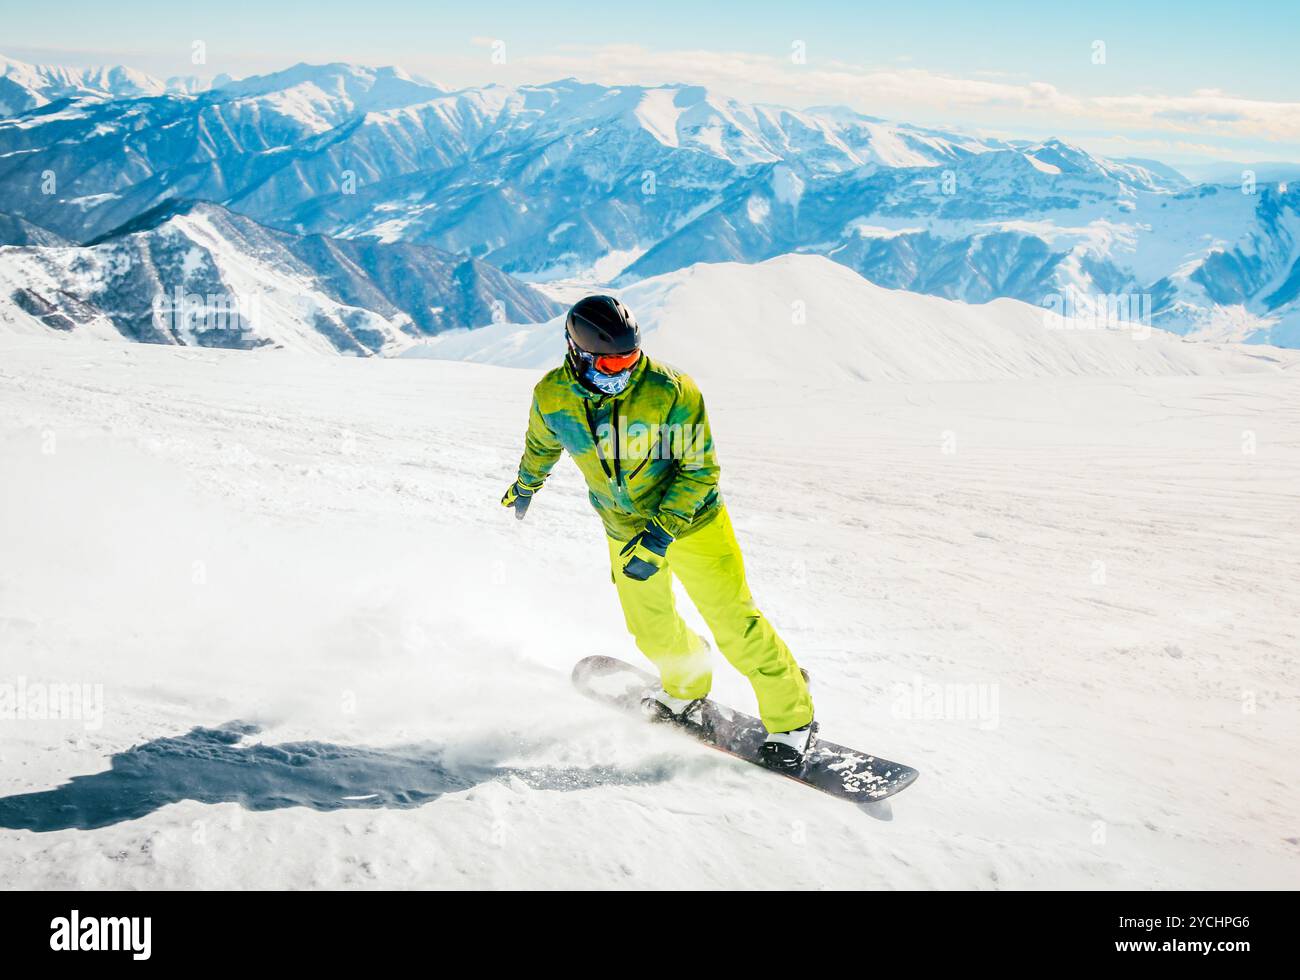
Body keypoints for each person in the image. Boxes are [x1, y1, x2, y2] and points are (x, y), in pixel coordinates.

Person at [502, 295, 815, 769]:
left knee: (734, 623)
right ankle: (687, 688)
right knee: (651, 627)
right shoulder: (551, 395)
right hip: (622, 526)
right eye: (610, 361)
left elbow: (698, 470)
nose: (624, 368)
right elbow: (543, 444)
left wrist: (660, 535)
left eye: (630, 356)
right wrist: (526, 485)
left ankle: (793, 718)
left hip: (693, 524)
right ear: (577, 353)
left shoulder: (669, 390)